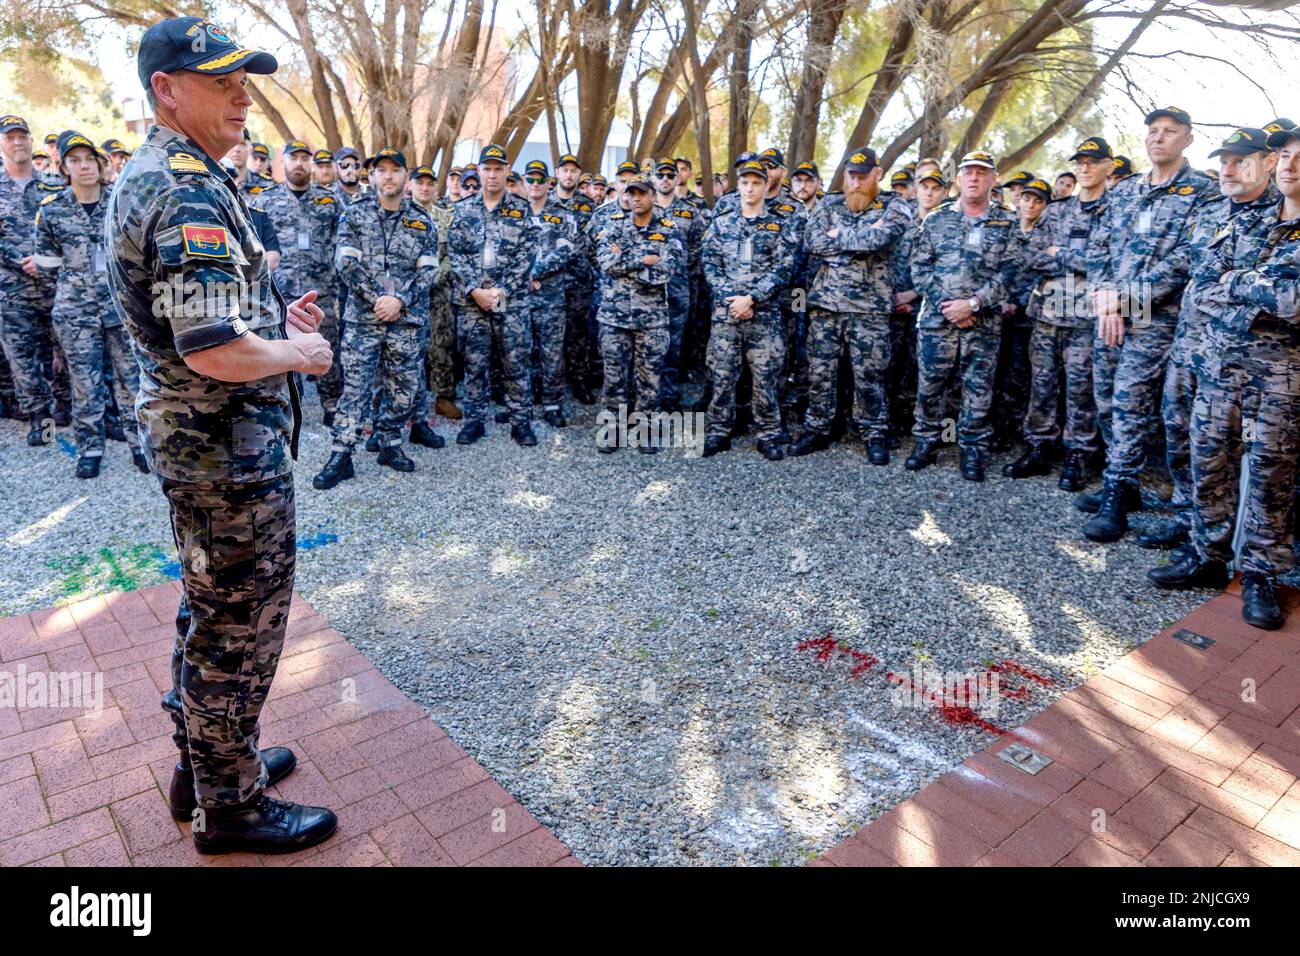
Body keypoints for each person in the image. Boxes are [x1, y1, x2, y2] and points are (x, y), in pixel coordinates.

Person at [105, 16, 337, 854]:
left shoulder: (169, 172)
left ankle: (203, 766)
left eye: (246, 78)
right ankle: (230, 806)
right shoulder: (187, 188)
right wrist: (298, 352)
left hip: (204, 447)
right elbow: (215, 349)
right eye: (221, 80)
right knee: (240, 627)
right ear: (167, 90)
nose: (244, 94)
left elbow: (206, 320)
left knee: (210, 612)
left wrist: (274, 320)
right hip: (225, 451)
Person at [1148, 124, 1300, 631]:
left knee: (1269, 476)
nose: (1290, 167)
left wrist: (1242, 287)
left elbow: (1292, 303)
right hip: (1217, 369)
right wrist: (1254, 290)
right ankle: (1208, 554)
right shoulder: (1245, 219)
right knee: (1209, 461)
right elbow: (1204, 284)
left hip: (1279, 378)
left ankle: (1260, 573)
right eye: (1286, 157)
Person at [1082, 106, 1217, 542]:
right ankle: (1125, 481)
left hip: (1159, 316)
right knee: (1105, 396)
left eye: (1169, 132)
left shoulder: (1203, 192)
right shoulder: (1125, 191)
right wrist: (1105, 297)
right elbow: (1098, 247)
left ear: (1188, 140)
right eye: (1153, 132)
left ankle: (1118, 494)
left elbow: (1188, 259)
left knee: (1130, 400)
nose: (1158, 139)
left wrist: (1125, 299)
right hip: (1111, 312)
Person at [314, 147, 440, 487]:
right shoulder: (354, 215)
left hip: (406, 321)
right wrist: (378, 299)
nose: (388, 176)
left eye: (395, 170)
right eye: (381, 170)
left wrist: (399, 300)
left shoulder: (421, 220)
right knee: (355, 389)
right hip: (363, 320)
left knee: (404, 389)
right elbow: (346, 263)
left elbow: (428, 271)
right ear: (372, 176)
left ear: (406, 177)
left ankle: (390, 442)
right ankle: (341, 454)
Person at [33, 130, 148, 478]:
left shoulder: (121, 202)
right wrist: (76, 289)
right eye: (75, 161)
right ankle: (90, 448)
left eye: (89, 160)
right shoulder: (52, 211)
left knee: (131, 380)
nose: (84, 167)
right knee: (85, 383)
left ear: (100, 164)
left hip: (122, 308)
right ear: (64, 167)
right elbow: (47, 267)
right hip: (76, 313)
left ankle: (139, 444)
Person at [906, 150, 1025, 481]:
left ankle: (972, 447)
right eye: (968, 172)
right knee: (931, 386)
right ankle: (928, 441)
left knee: (977, 389)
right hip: (937, 321)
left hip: (983, 323)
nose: (974, 178)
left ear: (992, 179)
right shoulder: (936, 219)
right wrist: (950, 305)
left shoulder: (1006, 223)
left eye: (981, 173)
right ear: (958, 179)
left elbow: (1012, 270)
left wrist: (973, 304)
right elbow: (919, 267)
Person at [792, 146, 912, 462]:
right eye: (851, 176)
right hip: (826, 308)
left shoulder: (895, 206)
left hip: (870, 310)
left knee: (870, 374)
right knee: (820, 373)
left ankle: (874, 432)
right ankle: (818, 428)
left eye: (862, 177)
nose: (856, 183)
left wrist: (840, 235)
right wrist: (860, 238)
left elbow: (882, 239)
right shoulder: (829, 203)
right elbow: (813, 242)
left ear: (878, 174)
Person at [1006, 138, 1111, 490]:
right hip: (1048, 314)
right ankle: (1039, 446)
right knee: (1042, 385)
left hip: (1087, 317)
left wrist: (1061, 253)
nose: (1085, 167)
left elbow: (1107, 263)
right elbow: (1032, 256)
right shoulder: (1056, 211)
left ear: (1108, 167)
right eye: (1080, 161)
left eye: (1093, 161)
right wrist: (1074, 257)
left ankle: (1078, 454)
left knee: (1081, 388)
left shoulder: (1115, 211)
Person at [700, 157, 797, 460]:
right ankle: (718, 430)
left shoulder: (780, 224)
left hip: (763, 315)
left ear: (767, 186)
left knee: (766, 376)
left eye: (757, 182)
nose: (751, 188)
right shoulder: (722, 222)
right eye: (745, 182)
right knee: (722, 373)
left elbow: (784, 268)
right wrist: (732, 299)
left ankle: (767, 434)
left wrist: (752, 298)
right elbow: (710, 264)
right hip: (726, 314)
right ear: (738, 185)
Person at [447, 143, 540, 446]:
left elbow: (526, 255)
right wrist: (475, 291)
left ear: (506, 172)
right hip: (473, 303)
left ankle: (521, 422)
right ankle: (474, 421)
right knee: (475, 365)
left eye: (498, 169)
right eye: (486, 169)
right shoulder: (463, 209)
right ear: (479, 171)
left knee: (516, 364)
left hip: (510, 303)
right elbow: (455, 254)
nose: (492, 174)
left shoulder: (522, 209)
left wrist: (498, 293)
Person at [255, 139, 343, 424]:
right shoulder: (266, 200)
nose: (300, 163)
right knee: (284, 349)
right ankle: (291, 405)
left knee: (328, 345)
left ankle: (331, 405)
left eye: (306, 158)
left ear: (312, 165)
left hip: (321, 290)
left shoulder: (330, 200)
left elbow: (341, 240)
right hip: (282, 291)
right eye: (295, 158)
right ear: (284, 163)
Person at [590, 177, 676, 452]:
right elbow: (606, 263)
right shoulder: (612, 227)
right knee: (613, 377)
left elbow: (666, 271)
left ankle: (644, 432)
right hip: (614, 318)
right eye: (632, 193)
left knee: (649, 379)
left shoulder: (667, 229)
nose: (636, 198)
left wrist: (624, 260)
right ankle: (611, 431)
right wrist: (643, 260)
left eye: (642, 193)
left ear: (652, 196)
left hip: (651, 320)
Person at [0, 113, 70, 445]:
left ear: (30, 140)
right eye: (10, 137)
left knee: (66, 356)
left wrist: (43, 262)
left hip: (54, 288)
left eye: (22, 136)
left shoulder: (54, 185)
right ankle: (40, 421)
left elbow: (69, 233)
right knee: (23, 362)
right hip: (11, 293)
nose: (17, 142)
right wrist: (20, 261)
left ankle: (67, 411)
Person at [521, 159, 575, 426]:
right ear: (523, 182)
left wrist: (537, 271)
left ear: (548, 183)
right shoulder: (513, 212)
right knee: (520, 351)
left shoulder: (562, 213)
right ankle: (523, 404)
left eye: (539, 179)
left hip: (551, 296)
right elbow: (503, 251)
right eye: (530, 179)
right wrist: (524, 274)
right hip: (520, 295)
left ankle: (553, 404)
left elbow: (566, 249)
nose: (534, 184)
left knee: (552, 353)